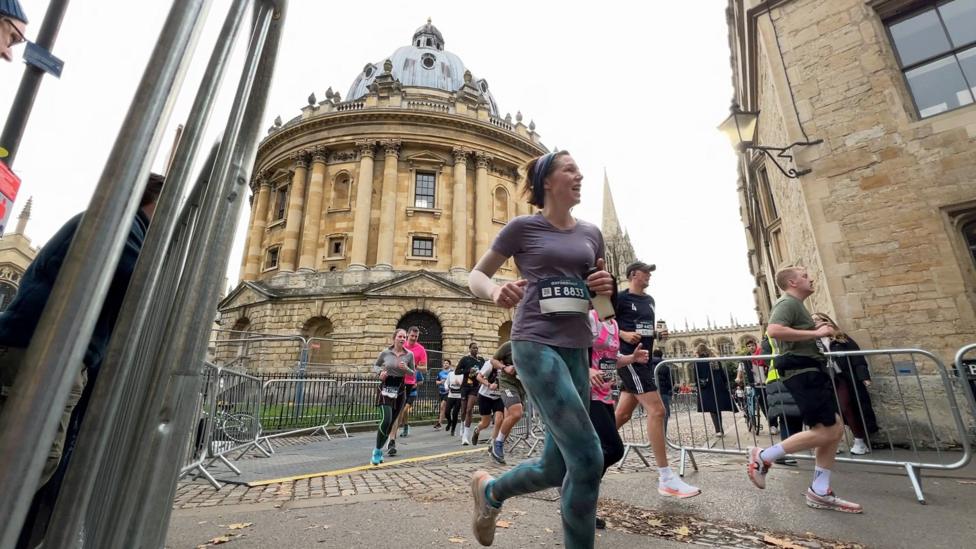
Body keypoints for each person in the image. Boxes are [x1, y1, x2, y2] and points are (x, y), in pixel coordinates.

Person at [0, 173, 164, 547]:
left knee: (35, 459)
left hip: (51, 354)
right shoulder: (123, 222)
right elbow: (138, 286)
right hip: (42, 354)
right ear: (154, 201)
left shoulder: (121, 224)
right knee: (29, 458)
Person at [466, 150, 615, 548]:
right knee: (588, 457)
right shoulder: (522, 228)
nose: (579, 175)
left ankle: (491, 492)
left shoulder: (591, 234)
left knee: (555, 466)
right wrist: (495, 291)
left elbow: (600, 303)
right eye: (570, 169)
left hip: (577, 348)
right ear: (547, 181)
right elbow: (476, 275)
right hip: (534, 342)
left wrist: (605, 290)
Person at [746, 266, 862, 513]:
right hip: (802, 373)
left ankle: (820, 489)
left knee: (834, 430)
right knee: (828, 430)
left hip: (811, 371)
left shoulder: (796, 305)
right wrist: (816, 332)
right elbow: (774, 330)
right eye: (805, 276)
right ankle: (764, 456)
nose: (811, 279)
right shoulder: (787, 303)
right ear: (792, 282)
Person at [614, 261, 700, 499]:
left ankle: (588, 451)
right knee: (657, 411)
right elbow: (601, 322)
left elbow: (645, 328)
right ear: (633, 275)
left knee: (622, 415)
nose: (649, 276)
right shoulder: (620, 298)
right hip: (629, 359)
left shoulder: (650, 300)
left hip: (645, 359)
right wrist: (623, 334)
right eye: (646, 272)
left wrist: (657, 333)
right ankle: (666, 478)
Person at [587, 308, 648, 529]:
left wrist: (632, 358)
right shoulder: (590, 317)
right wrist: (586, 369)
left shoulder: (613, 325)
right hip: (587, 395)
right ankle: (576, 488)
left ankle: (582, 502)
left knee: (598, 450)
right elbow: (572, 350)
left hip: (605, 395)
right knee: (612, 449)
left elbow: (612, 359)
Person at [812, 312, 879, 455]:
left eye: (819, 319)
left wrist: (864, 377)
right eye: (813, 321)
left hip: (842, 378)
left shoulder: (841, 338)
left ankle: (859, 440)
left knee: (846, 407)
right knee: (829, 412)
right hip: (824, 381)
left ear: (827, 321)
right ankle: (831, 443)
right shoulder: (812, 342)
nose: (817, 322)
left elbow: (857, 358)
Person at [370, 328, 415, 465]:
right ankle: (376, 451)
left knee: (390, 424)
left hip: (400, 390)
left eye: (404, 337)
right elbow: (376, 366)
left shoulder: (409, 355)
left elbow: (413, 373)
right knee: (386, 419)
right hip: (385, 387)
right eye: (400, 336)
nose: (402, 339)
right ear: (394, 338)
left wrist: (406, 369)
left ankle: (379, 450)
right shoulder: (385, 353)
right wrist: (380, 373)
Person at [386, 326, 427, 455]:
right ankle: (390, 436)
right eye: (412, 336)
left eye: (416, 336)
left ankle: (392, 439)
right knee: (392, 411)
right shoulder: (400, 345)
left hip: (409, 383)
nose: (413, 338)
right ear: (408, 335)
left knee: (399, 412)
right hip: (394, 380)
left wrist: (414, 366)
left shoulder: (420, 349)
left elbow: (425, 368)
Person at [693, 345, 737, 436]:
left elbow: (696, 376)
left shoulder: (697, 362)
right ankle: (719, 429)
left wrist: (698, 386)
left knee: (712, 408)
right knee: (716, 407)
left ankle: (718, 430)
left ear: (698, 352)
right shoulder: (714, 360)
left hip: (706, 386)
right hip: (717, 385)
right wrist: (725, 384)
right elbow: (722, 373)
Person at [492, 340, 523, 464]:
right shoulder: (509, 345)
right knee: (517, 413)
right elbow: (493, 360)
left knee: (510, 419)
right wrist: (505, 367)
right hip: (507, 383)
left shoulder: (535, 347)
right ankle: (498, 443)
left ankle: (495, 446)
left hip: (522, 387)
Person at [471, 352, 504, 448]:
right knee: (485, 423)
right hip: (485, 395)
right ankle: (477, 429)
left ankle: (493, 443)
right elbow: (478, 377)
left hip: (498, 397)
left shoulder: (507, 365)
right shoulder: (489, 364)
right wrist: (489, 385)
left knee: (499, 419)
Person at [456, 342, 485, 445]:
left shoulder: (481, 360)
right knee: (463, 410)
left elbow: (484, 371)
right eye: (473, 348)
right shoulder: (465, 359)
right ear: (469, 349)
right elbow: (457, 371)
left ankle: (465, 436)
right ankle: (462, 425)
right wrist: (469, 370)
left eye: (477, 348)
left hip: (475, 387)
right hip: (465, 386)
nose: (475, 350)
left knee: (469, 409)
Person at [651, 349, 673, 430]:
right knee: (664, 412)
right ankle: (663, 432)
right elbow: (671, 381)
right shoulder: (665, 366)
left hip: (651, 392)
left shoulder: (648, 366)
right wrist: (669, 390)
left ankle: (654, 433)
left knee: (652, 412)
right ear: (661, 355)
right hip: (663, 392)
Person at [445, 361, 465, 437]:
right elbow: (446, 383)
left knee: (455, 413)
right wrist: (446, 387)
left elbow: (465, 386)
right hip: (451, 395)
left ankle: (453, 429)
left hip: (459, 396)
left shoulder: (463, 375)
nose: (457, 368)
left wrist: (459, 383)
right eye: (456, 366)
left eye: (459, 367)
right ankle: (449, 422)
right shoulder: (450, 374)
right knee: (447, 412)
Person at [434, 358, 452, 430]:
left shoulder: (451, 373)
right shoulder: (440, 373)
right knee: (444, 409)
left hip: (448, 392)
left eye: (447, 363)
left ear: (449, 365)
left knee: (442, 406)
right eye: (444, 363)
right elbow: (436, 382)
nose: (445, 364)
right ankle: (448, 421)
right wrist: (441, 382)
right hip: (441, 392)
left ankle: (439, 423)